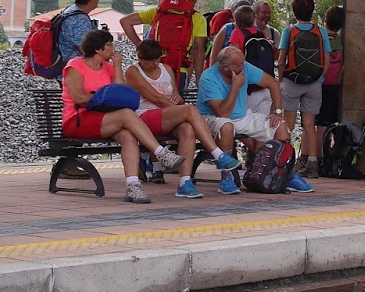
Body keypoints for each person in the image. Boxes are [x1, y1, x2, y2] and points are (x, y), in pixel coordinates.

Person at [63, 29, 185, 203]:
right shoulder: (75, 65)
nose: (114, 47)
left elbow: (119, 91)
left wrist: (117, 67)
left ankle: (133, 186)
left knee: (128, 136)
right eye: (109, 44)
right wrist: (102, 97)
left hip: (105, 117)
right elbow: (79, 98)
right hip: (79, 119)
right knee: (127, 114)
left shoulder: (107, 67)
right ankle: (160, 152)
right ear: (97, 49)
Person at [125, 40, 241, 198]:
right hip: (145, 117)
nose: (155, 63)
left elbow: (175, 96)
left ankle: (184, 182)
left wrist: (178, 101)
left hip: (167, 115)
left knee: (187, 129)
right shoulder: (133, 71)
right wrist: (183, 109)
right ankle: (218, 154)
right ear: (140, 59)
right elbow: (155, 98)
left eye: (158, 59)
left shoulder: (166, 69)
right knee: (190, 110)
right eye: (150, 60)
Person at [198, 46, 312, 194]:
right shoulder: (208, 77)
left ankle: (287, 174)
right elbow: (222, 113)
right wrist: (235, 86)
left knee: (280, 127)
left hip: (242, 116)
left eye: (243, 63)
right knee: (226, 126)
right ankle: (226, 177)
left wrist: (277, 112)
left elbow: (273, 84)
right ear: (225, 67)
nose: (242, 67)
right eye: (238, 65)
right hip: (213, 118)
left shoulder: (244, 68)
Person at [119, 0, 208, 92]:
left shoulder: (159, 12)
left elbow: (125, 21)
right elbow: (198, 50)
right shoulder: (198, 18)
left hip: (152, 66)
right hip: (179, 69)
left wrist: (140, 45)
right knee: (174, 105)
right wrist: (199, 80)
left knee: (149, 103)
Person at [278, 0, 331, 176]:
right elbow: (327, 59)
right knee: (309, 125)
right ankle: (313, 163)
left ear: (294, 12)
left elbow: (281, 59)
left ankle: (286, 161)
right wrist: (320, 78)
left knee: (289, 125)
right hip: (314, 83)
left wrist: (280, 79)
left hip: (291, 81)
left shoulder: (289, 32)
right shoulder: (321, 31)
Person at [50, 0, 101, 79]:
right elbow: (86, 49)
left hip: (67, 68)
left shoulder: (70, 10)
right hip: (76, 73)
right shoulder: (79, 20)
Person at [315, 5, 345, 142]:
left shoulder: (318, 38)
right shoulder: (342, 42)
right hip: (333, 86)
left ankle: (309, 156)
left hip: (316, 83)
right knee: (327, 124)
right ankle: (325, 155)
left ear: (325, 20)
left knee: (312, 124)